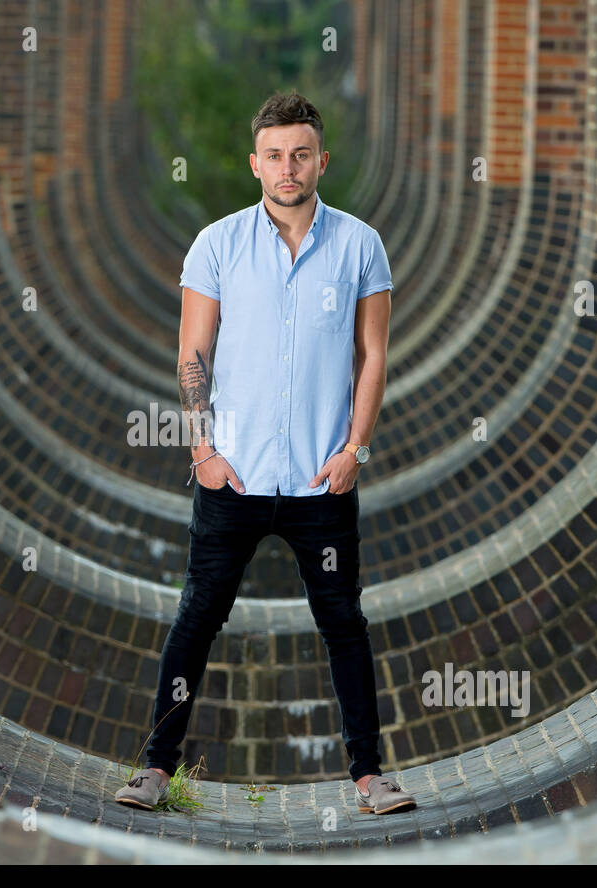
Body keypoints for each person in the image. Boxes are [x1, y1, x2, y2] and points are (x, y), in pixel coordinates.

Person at [115, 91, 416, 815]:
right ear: (255, 163)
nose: (288, 168)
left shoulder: (360, 246)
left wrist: (355, 450)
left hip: (322, 481)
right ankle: (156, 768)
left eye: (301, 154)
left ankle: (370, 776)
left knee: (344, 624)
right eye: (275, 155)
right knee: (197, 618)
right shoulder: (217, 245)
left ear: (322, 161)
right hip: (234, 479)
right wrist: (203, 450)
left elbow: (373, 356)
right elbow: (193, 353)